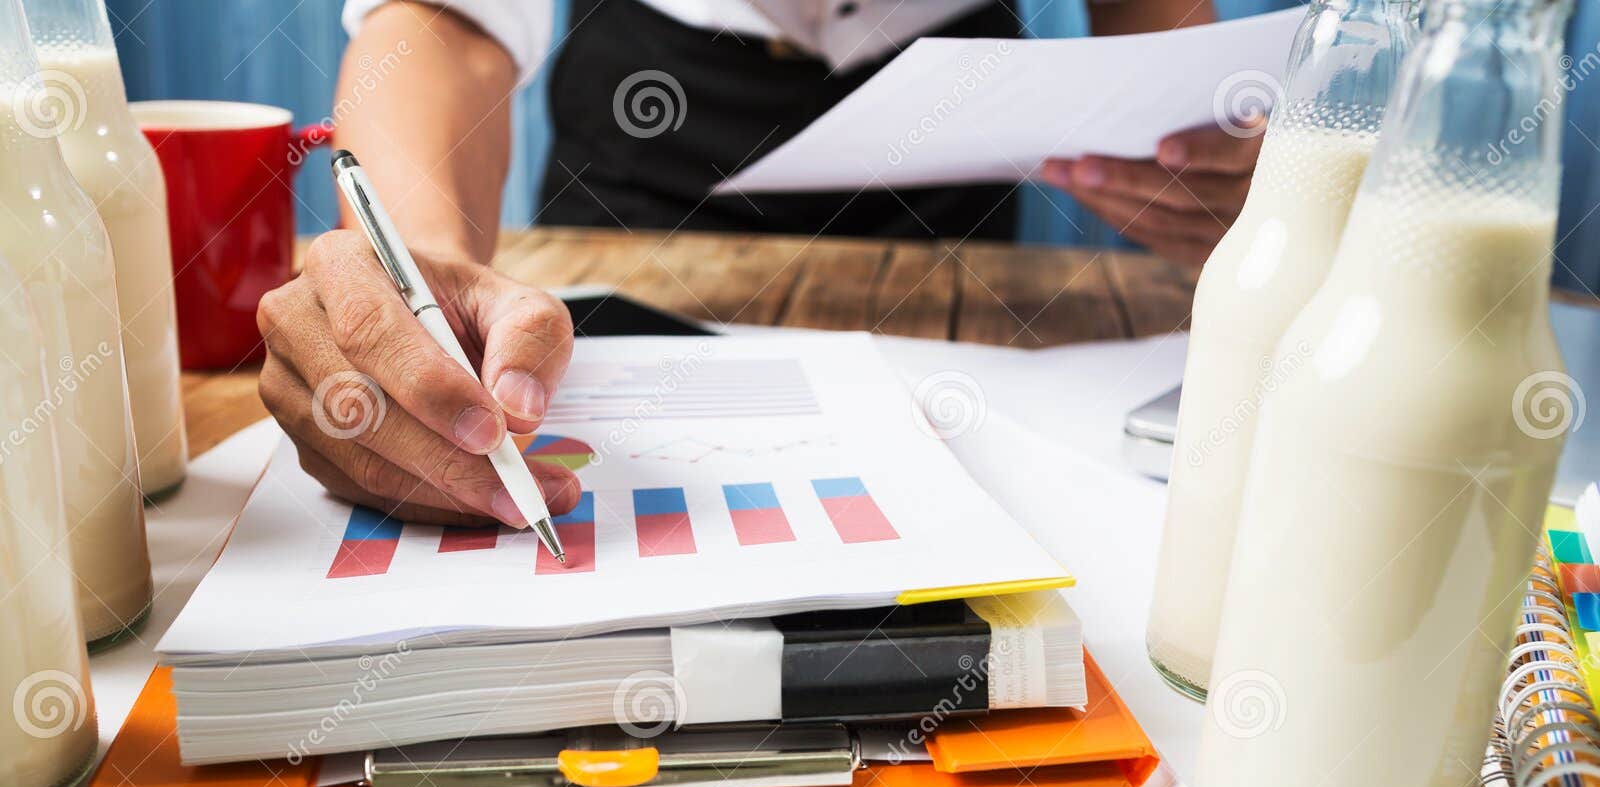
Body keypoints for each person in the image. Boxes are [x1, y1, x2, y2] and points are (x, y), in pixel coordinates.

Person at [257, 0, 1265, 527]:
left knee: (952, 458)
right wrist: (425, 274)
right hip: (654, 123)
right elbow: (443, 21)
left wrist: (1213, 142)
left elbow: (1149, 6)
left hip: (952, 137)